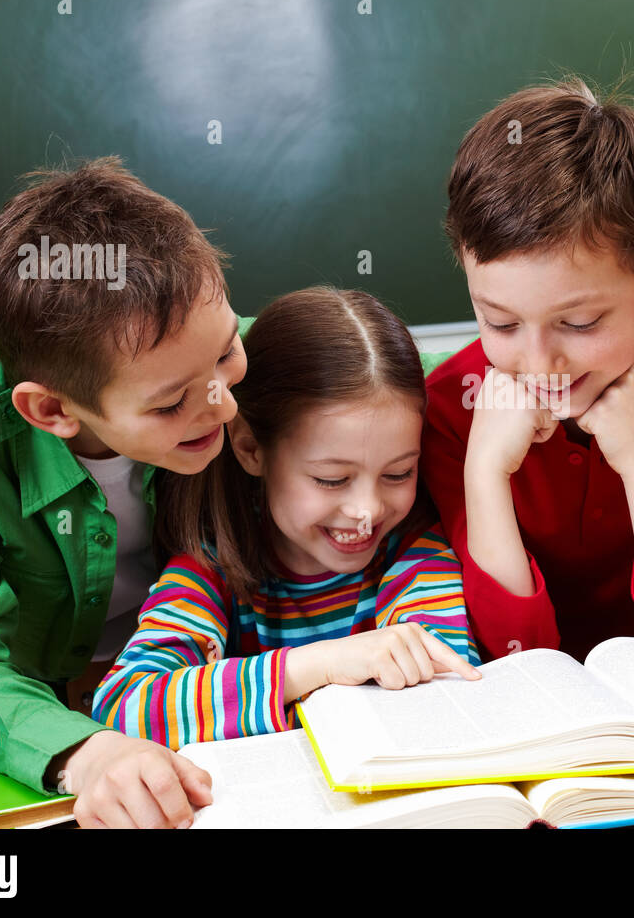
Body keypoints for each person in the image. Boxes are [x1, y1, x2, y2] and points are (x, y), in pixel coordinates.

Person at [0, 157, 244, 827]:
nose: (221, 404)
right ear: (50, 411)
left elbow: (384, 388)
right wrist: (91, 754)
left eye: (226, 355)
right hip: (51, 727)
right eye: (169, 407)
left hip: (206, 688)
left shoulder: (192, 336)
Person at [422, 80, 634, 662]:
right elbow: (508, 659)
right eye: (501, 323)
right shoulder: (447, 406)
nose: (537, 364)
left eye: (579, 323)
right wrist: (483, 473)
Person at [94, 288, 481, 757]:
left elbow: (442, 690)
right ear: (251, 449)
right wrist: (322, 664)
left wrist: (238, 704)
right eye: (332, 479)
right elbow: (125, 707)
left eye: (398, 473)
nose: (367, 510)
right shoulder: (214, 565)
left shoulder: (413, 548)